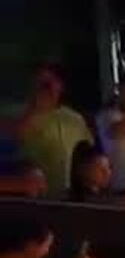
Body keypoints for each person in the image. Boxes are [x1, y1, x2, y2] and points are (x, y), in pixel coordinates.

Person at [15, 64, 91, 201]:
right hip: (46, 198)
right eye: (43, 84)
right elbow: (19, 148)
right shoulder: (27, 118)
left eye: (51, 83)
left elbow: (89, 154)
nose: (47, 89)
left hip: (78, 196)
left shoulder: (75, 119)